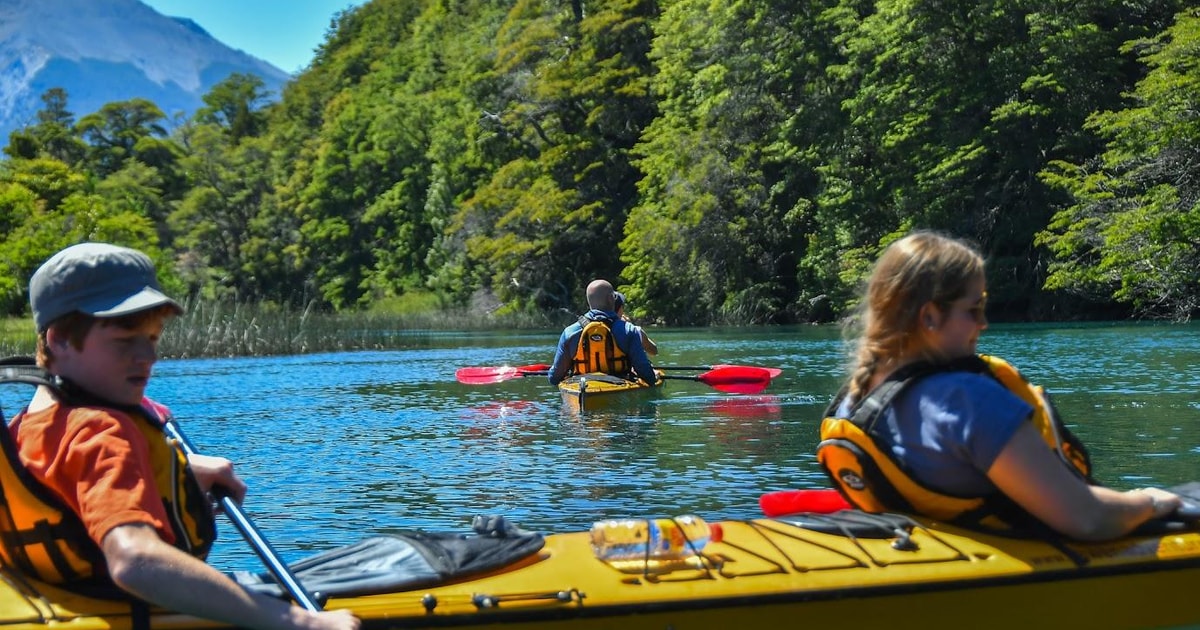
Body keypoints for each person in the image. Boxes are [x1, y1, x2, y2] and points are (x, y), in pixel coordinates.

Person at [8, 243, 358, 629]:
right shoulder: (103, 430)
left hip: (69, 599)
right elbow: (135, 562)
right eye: (125, 339)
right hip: (127, 606)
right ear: (58, 339)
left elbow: (64, 495)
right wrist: (300, 622)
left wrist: (179, 474)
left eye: (153, 337)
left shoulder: (24, 428)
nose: (148, 356)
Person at [816, 231, 1181, 542]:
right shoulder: (969, 400)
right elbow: (1087, 518)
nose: (984, 323)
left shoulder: (852, 401)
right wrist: (1149, 500)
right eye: (974, 310)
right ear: (929, 316)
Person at [548, 279, 659, 386]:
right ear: (611, 299)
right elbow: (645, 373)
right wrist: (653, 377)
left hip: (582, 385)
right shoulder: (629, 330)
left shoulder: (569, 332)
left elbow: (554, 378)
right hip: (619, 385)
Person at [614, 291, 658, 356]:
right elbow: (654, 351)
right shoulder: (633, 330)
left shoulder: (596, 327)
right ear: (621, 308)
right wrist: (629, 325)